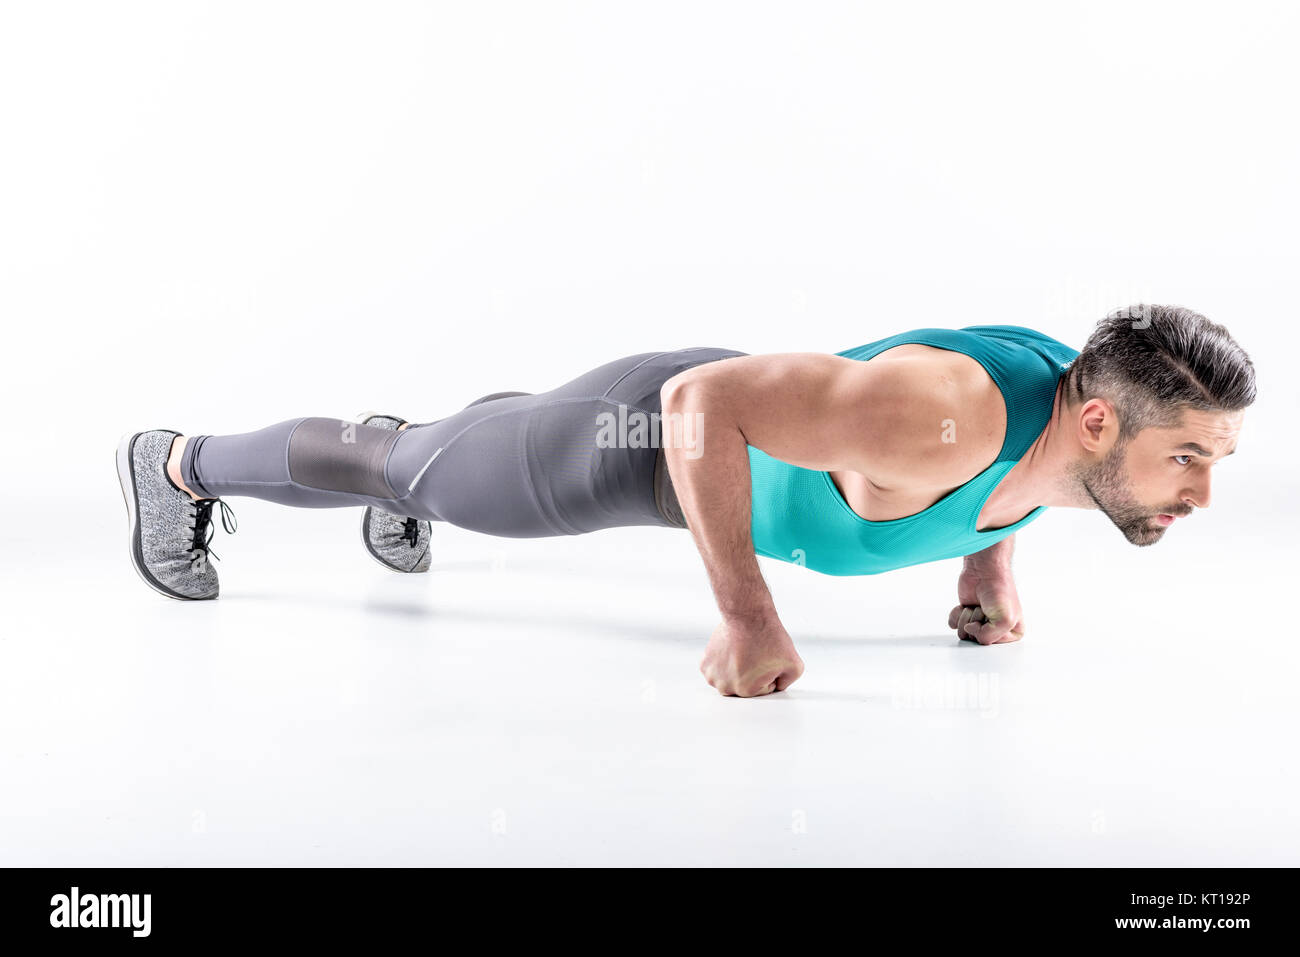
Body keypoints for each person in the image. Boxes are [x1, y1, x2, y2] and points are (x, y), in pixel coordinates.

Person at [115, 304, 1254, 697]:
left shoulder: (1078, 415)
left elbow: (1015, 481)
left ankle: (482, 434)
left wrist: (985, 560)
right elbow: (704, 404)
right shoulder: (938, 418)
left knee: (474, 447)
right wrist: (749, 617)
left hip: (723, 416)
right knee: (405, 466)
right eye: (1188, 460)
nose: (1200, 493)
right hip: (638, 445)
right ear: (1102, 423)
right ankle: (181, 462)